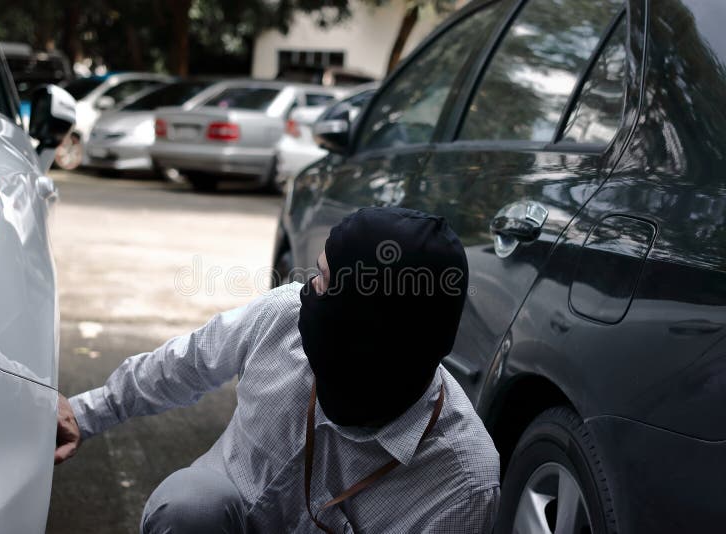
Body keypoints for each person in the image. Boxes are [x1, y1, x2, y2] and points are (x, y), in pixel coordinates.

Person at [55, 207, 500, 533]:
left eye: (324, 280)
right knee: (191, 506)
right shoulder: (284, 315)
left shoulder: (461, 483)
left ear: (364, 326)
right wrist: (83, 414)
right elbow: (184, 364)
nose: (307, 288)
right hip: (215, 525)